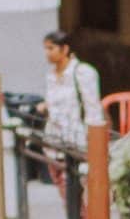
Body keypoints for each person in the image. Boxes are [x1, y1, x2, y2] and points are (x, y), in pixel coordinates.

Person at [38, 29, 102, 158]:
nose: (47, 53)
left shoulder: (83, 73)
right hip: (54, 139)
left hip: (77, 139)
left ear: (65, 49)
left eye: (51, 48)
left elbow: (93, 110)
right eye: (45, 49)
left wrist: (93, 143)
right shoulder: (50, 76)